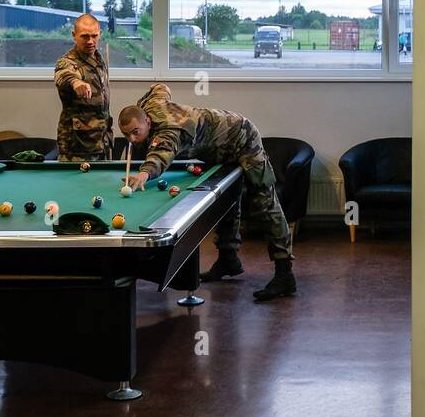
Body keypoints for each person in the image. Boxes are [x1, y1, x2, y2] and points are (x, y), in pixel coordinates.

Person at [118, 84, 297, 301]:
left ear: (147, 121)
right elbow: (161, 88)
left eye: (136, 133)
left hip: (242, 137)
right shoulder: (149, 105)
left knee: (264, 202)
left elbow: (159, 157)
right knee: (228, 201)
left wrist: (143, 175)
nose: (132, 140)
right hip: (219, 147)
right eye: (127, 135)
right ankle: (228, 260)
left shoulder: (168, 131)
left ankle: (285, 274)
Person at [53, 13, 111, 162]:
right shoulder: (67, 61)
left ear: (100, 34)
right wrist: (76, 82)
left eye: (94, 36)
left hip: (102, 141)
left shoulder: (98, 58)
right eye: (85, 36)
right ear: (74, 35)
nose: (90, 41)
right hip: (77, 148)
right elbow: (63, 75)